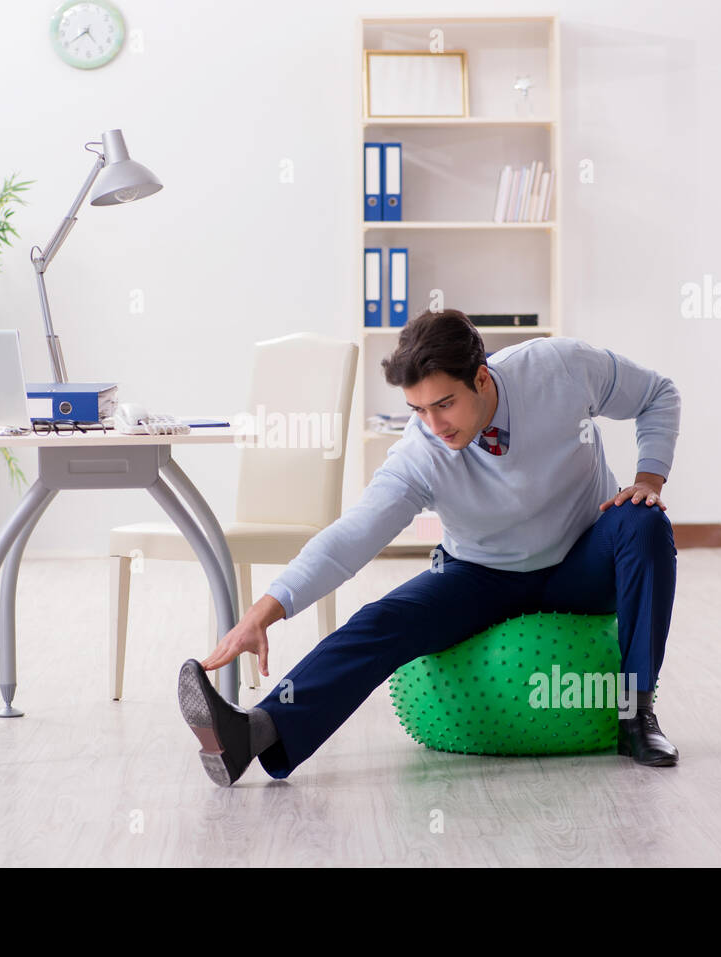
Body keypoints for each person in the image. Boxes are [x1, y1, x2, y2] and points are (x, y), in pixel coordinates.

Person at [177, 309, 681, 787]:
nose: (435, 425)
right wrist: (266, 611)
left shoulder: (560, 368)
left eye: (445, 404)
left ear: (482, 378)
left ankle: (636, 717)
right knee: (381, 620)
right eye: (418, 410)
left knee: (643, 520)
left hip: (583, 560)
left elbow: (658, 394)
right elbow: (351, 537)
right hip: (483, 575)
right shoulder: (422, 451)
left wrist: (648, 479)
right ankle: (258, 731)